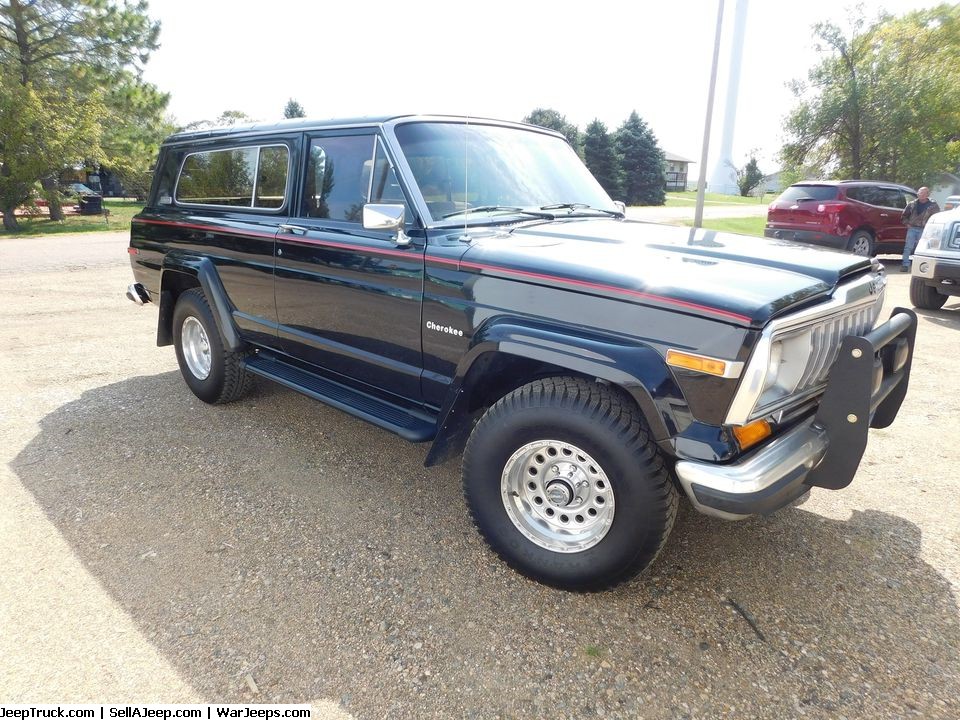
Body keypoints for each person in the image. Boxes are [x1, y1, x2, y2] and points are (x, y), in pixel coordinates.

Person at [900, 187, 940, 272]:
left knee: (923, 249)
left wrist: (931, 228)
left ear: (927, 194)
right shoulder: (912, 204)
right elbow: (904, 216)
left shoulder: (933, 205)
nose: (921, 194)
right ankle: (905, 265)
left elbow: (937, 217)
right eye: (919, 193)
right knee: (908, 247)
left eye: (923, 193)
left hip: (925, 230)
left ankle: (921, 267)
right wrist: (907, 224)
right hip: (912, 228)